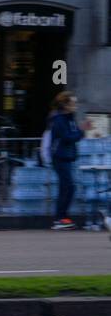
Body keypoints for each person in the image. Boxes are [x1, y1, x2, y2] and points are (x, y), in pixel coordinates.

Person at [48, 91, 89, 230]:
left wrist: (81, 131)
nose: (75, 106)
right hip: (60, 157)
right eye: (73, 103)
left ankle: (62, 218)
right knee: (68, 187)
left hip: (67, 157)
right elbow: (67, 137)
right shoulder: (59, 119)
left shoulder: (70, 119)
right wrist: (82, 131)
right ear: (65, 105)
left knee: (66, 187)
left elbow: (74, 135)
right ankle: (60, 218)